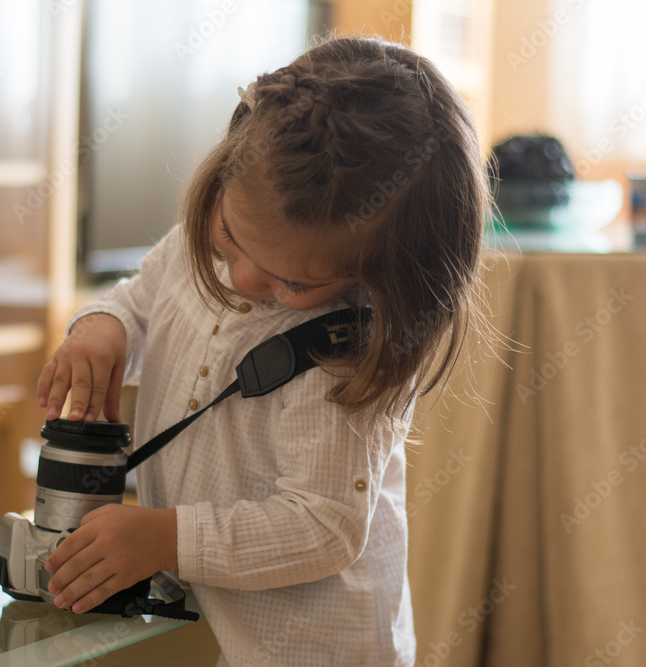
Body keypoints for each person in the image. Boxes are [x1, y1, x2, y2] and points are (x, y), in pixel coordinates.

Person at [37, 35, 488, 666]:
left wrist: (168, 538)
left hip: (309, 648)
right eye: (229, 240)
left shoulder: (343, 354)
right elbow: (138, 300)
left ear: (379, 274)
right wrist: (102, 329)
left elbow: (325, 525)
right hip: (207, 627)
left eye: (295, 282)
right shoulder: (219, 241)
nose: (244, 279)